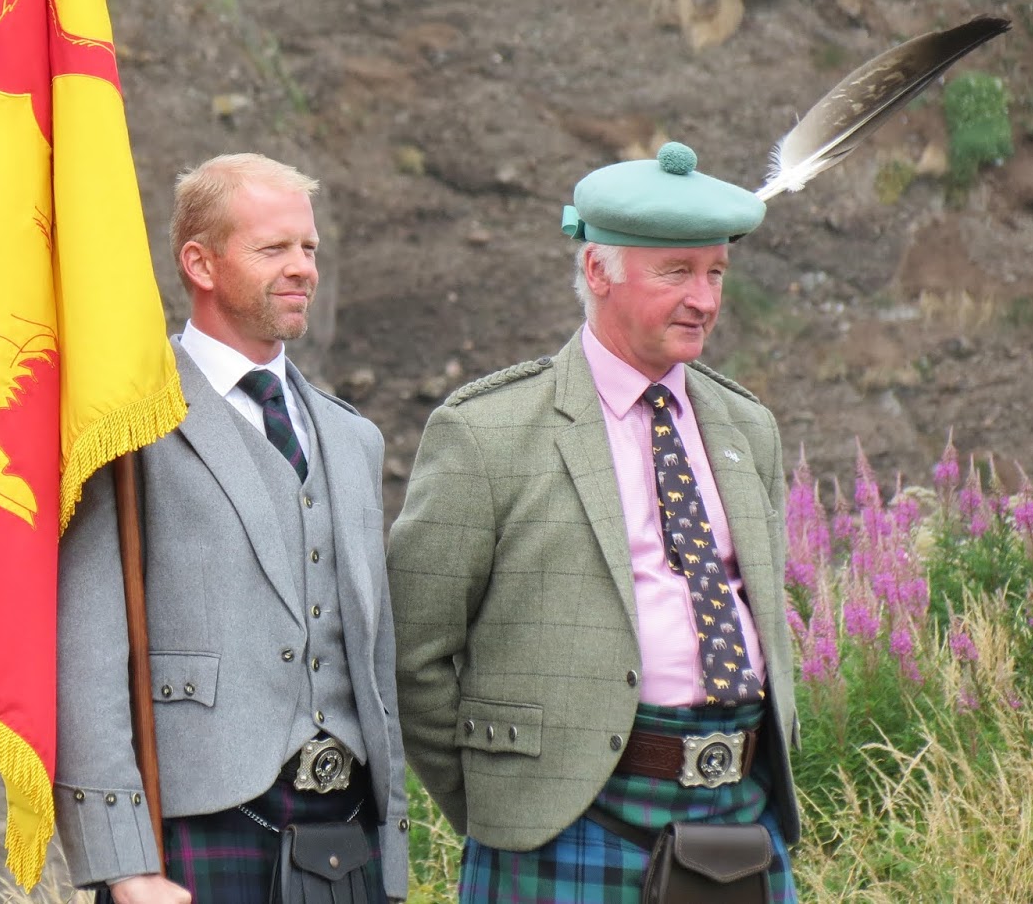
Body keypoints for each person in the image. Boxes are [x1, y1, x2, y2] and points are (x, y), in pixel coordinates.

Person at [387, 141, 800, 902]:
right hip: (568, 822)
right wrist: (508, 802)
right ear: (597, 270)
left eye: (716, 273)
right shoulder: (490, 431)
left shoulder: (748, 427)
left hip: (742, 809)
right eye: (676, 272)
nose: (705, 299)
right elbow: (414, 651)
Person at [53, 153, 410, 904]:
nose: (303, 268)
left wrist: (394, 843)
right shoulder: (128, 432)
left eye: (308, 248)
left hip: (347, 830)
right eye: (274, 249)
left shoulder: (354, 440)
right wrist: (125, 864)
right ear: (201, 263)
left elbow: (374, 660)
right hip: (198, 831)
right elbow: (87, 653)